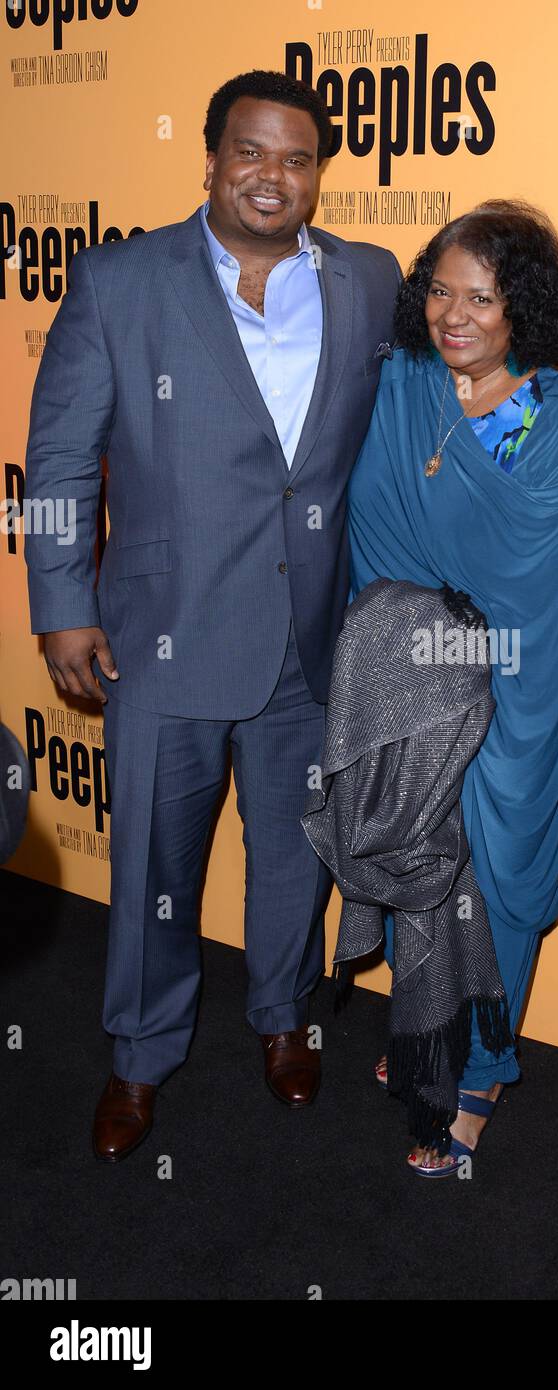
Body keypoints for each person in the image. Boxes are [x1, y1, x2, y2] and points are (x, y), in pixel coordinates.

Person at [23, 69, 401, 1161]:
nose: (270, 175)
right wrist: (61, 603)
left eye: (294, 157)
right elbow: (56, 459)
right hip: (161, 634)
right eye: (250, 151)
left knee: (294, 856)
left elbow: (440, 379)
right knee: (152, 866)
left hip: (308, 638)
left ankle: (284, 1020)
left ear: (316, 172)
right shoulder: (120, 280)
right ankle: (140, 1054)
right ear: (210, 158)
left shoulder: (368, 281)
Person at [348, 201, 558, 1174]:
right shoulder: (400, 381)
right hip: (399, 683)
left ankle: (477, 1076)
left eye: (481, 298)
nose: (454, 313)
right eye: (440, 290)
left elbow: (529, 594)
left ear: (521, 311)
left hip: (507, 698)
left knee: (486, 882)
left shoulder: (554, 429)